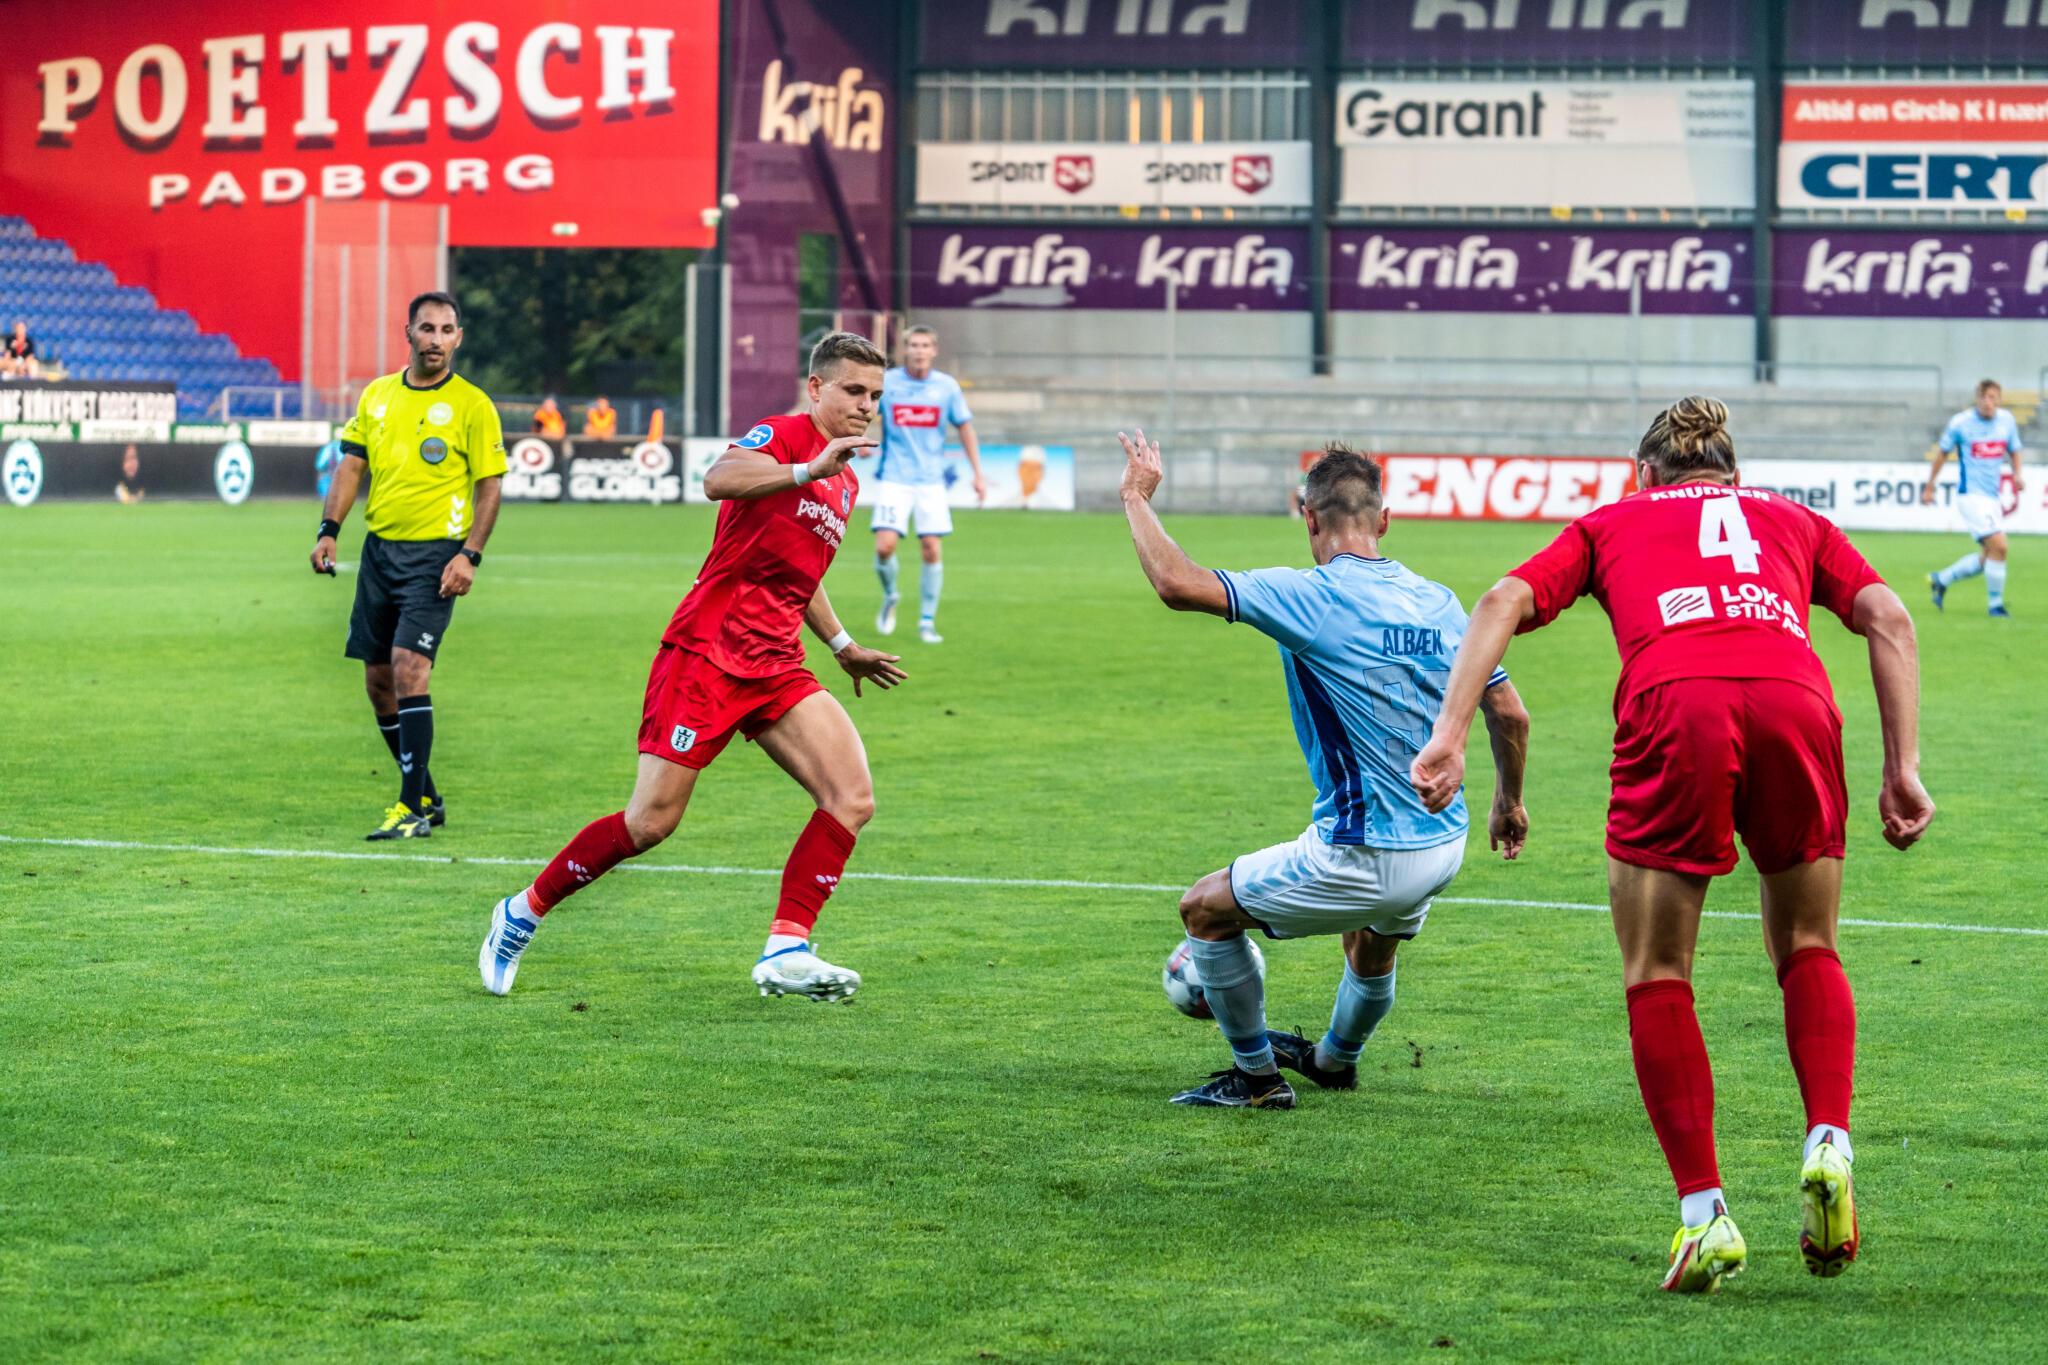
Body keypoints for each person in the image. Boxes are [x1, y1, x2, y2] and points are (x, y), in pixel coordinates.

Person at [1411, 397, 1934, 1295]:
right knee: (1810, 946)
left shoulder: (1612, 520)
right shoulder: (1791, 518)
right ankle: (1829, 1142)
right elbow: (1889, 618)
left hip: (1674, 704)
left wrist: (1452, 734)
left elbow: (1501, 598)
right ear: (1733, 477)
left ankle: (1705, 1218)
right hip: (1796, 700)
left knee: (1659, 970)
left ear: (1644, 474)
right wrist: (1902, 767)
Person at [478, 333, 908, 1003]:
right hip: (707, 651)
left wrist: (841, 641)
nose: (866, 405)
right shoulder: (790, 439)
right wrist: (805, 468)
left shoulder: (842, 477)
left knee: (852, 796)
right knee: (650, 822)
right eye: (855, 390)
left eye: (876, 396)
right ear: (817, 388)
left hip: (775, 663)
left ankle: (785, 948)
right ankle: (522, 911)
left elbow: (799, 573)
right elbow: (718, 479)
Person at [1119, 432, 1529, 1109]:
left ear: (1307, 517)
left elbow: (1176, 583)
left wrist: (1136, 495)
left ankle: (1255, 1078)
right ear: (1386, 520)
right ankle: (1335, 1059)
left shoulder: (1309, 595)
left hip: (1364, 851)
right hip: (1443, 842)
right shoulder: (1440, 602)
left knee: (1204, 908)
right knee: (1372, 944)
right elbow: (1509, 713)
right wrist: (1508, 801)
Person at [309, 291, 507, 841]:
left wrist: (469, 555)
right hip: (380, 552)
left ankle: (410, 809)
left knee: (408, 668)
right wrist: (329, 530)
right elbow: (351, 467)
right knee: (378, 682)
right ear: (409, 334)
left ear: (458, 337)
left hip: (435, 556)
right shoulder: (376, 396)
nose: (437, 339)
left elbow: (490, 486)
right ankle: (426, 793)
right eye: (427, 329)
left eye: (447, 330)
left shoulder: (472, 405)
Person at [870, 325, 985, 645]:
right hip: (894, 476)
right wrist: (863, 440)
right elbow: (867, 410)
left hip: (931, 481)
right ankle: (891, 595)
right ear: (905, 350)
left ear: (934, 350)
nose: (919, 350)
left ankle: (926, 621)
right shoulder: (889, 383)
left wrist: (977, 473)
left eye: (925, 345)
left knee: (932, 549)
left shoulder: (946, 387)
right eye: (914, 345)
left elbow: (965, 428)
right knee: (884, 547)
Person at [1925, 378, 2024, 618]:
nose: (1988, 403)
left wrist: (2017, 474)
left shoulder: (2007, 421)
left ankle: (1942, 579)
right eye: (1983, 397)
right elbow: (1942, 453)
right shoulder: (1961, 423)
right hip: (1970, 496)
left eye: (1993, 398)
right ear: (1976, 398)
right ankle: (1996, 606)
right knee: (2000, 545)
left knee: (1989, 556)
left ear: (1999, 400)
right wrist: (1930, 485)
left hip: (1992, 498)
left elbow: (2015, 449)